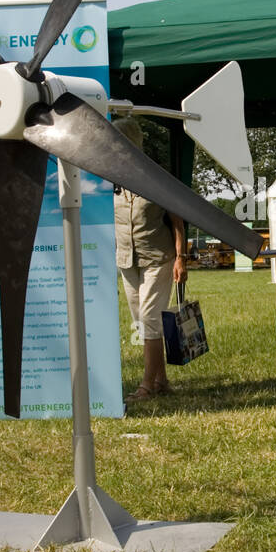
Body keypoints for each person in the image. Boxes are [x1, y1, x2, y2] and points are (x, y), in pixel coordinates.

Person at [113, 118, 187, 402]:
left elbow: (177, 220)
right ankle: (161, 381)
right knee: (140, 323)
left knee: (149, 319)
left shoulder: (156, 177)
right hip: (126, 259)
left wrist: (181, 257)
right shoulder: (110, 179)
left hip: (158, 257)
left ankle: (146, 386)